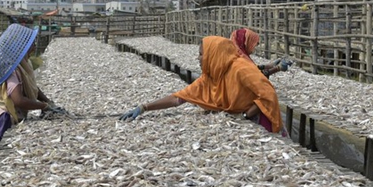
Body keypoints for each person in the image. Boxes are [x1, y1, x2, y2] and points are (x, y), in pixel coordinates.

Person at [120, 36, 282, 134]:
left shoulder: (241, 68)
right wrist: (144, 107)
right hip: (239, 119)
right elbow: (178, 99)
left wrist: (246, 116)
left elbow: (268, 95)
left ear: (214, 54)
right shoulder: (211, 76)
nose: (198, 58)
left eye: (201, 54)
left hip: (260, 121)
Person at [0, 24, 60, 154]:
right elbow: (18, 100)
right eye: (31, 43)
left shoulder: (24, 65)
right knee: (4, 157)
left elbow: (32, 87)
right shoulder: (13, 71)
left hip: (15, 116)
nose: (35, 46)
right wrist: (43, 106)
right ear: (21, 48)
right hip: (4, 120)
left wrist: (47, 101)